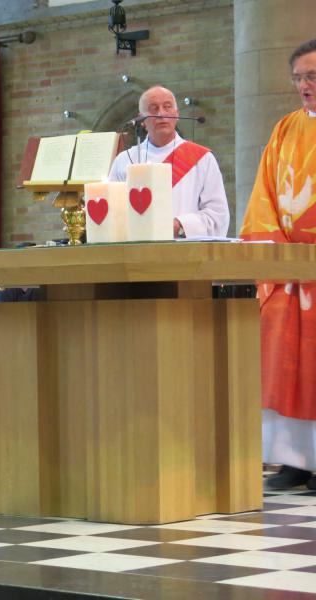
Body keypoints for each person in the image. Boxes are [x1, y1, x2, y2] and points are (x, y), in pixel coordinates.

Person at [240, 38, 316, 490]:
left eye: (313, 76)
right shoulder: (285, 128)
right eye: (299, 79)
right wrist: (279, 249)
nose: (304, 86)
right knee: (285, 365)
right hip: (290, 271)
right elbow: (264, 194)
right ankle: (294, 461)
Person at [109, 85, 230, 238]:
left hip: (185, 252)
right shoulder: (124, 160)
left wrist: (179, 226)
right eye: (153, 109)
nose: (161, 114)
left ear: (177, 114)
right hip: (137, 251)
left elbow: (218, 215)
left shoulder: (202, 159)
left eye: (167, 107)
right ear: (142, 120)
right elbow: (113, 213)